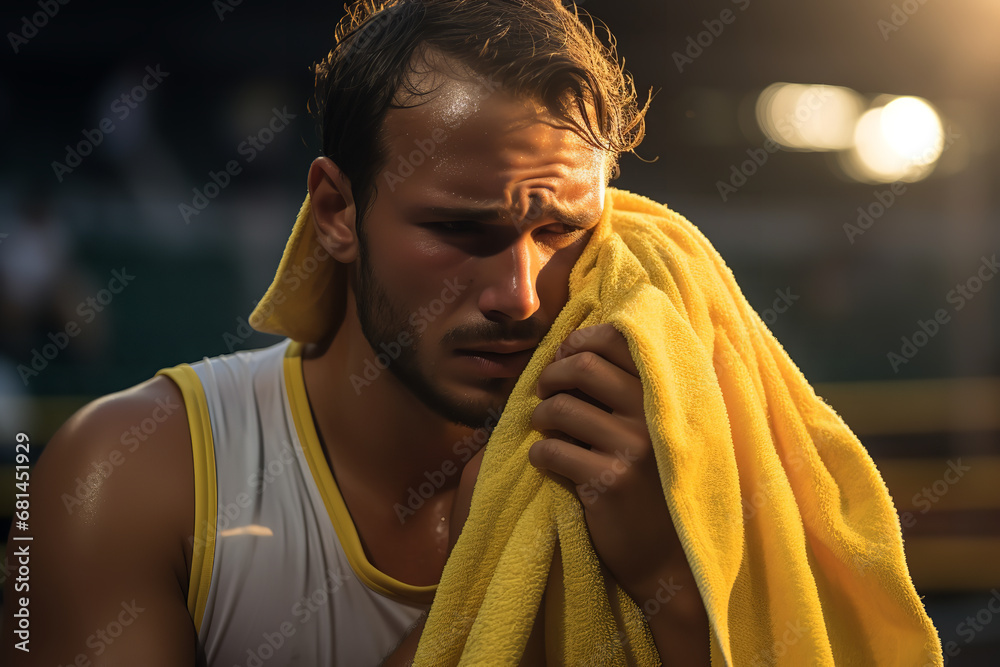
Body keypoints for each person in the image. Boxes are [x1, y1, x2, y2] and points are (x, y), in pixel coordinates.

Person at [1, 1, 715, 664]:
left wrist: (671, 586)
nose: (520, 295)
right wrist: (487, 589)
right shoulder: (122, 477)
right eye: (460, 228)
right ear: (336, 212)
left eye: (561, 230)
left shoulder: (672, 469)